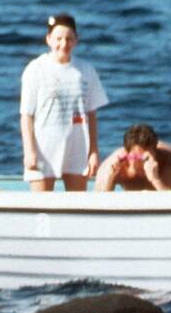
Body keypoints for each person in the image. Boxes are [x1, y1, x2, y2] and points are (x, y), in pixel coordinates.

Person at [20, 14, 108, 192]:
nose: (64, 44)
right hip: (44, 149)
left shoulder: (85, 70)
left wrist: (93, 151)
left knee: (78, 207)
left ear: (76, 40)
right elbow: (26, 115)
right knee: (40, 207)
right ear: (48, 39)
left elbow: (91, 113)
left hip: (77, 149)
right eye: (58, 39)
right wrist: (29, 151)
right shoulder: (36, 69)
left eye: (69, 39)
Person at [95, 124, 171, 191]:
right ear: (127, 154)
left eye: (147, 158)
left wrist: (156, 179)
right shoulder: (112, 166)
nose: (143, 163)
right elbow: (98, 203)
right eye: (137, 157)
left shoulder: (169, 163)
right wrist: (110, 179)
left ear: (156, 152)